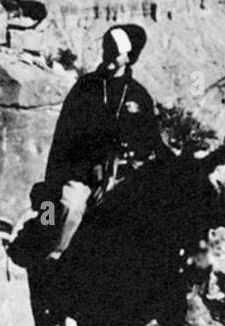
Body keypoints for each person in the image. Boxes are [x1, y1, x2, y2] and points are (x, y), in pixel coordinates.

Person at [39, 23, 167, 259]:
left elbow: (152, 142)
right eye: (107, 49)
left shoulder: (139, 95)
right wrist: (90, 166)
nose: (108, 55)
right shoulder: (86, 87)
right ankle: (55, 254)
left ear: (129, 57)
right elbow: (66, 136)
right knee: (72, 207)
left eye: (115, 52)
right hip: (83, 172)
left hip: (121, 176)